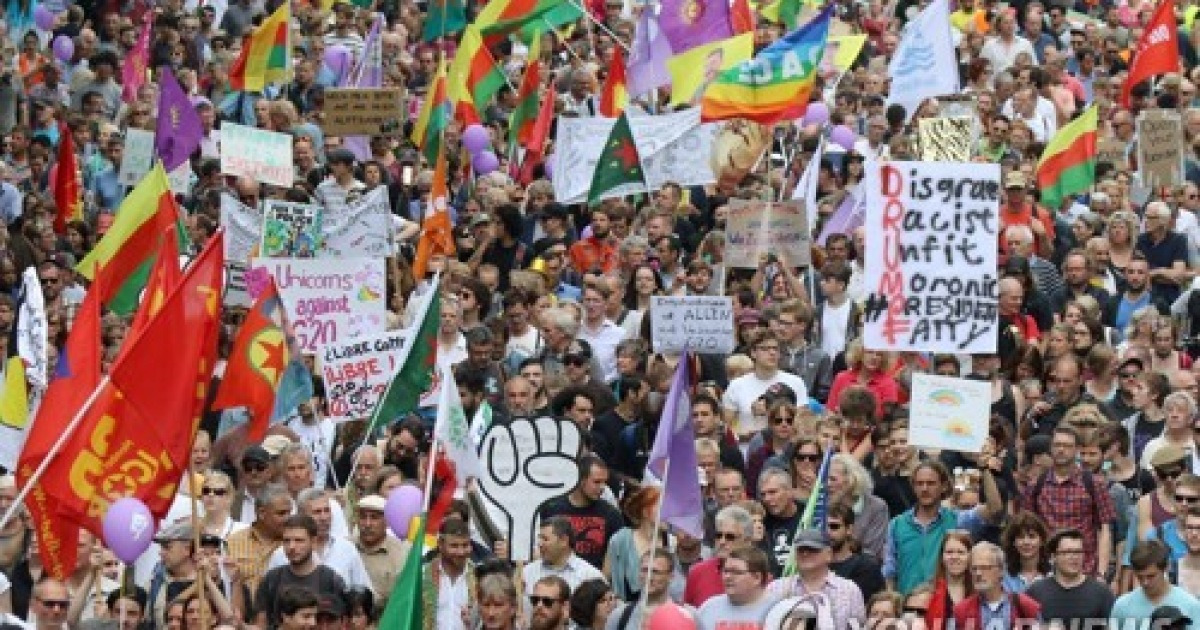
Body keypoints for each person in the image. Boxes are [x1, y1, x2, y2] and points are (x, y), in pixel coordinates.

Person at [882, 461, 1003, 594]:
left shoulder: (958, 521)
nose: (924, 488)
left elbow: (994, 509)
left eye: (931, 483)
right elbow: (890, 571)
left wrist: (985, 469)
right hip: (908, 606)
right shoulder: (897, 524)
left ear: (944, 486)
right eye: (919, 483)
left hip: (946, 605)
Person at [253, 516, 347, 629]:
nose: (291, 547)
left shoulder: (331, 579)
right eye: (286, 541)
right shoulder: (272, 579)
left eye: (299, 540)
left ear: (313, 542)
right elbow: (261, 623)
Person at [766, 529, 867, 630]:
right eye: (800, 550)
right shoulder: (776, 588)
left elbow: (858, 627)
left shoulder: (849, 590)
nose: (805, 553)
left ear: (829, 554)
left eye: (813, 549)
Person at [1111, 540, 1200, 629]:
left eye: (1151, 576)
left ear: (1166, 567)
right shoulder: (1122, 606)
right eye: (1140, 577)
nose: (1145, 582)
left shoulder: (1190, 605)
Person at [952, 542, 1042, 629]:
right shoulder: (961, 611)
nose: (978, 573)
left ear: (1001, 570)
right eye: (974, 568)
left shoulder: (1026, 607)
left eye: (985, 568)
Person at [695, 546, 779, 630]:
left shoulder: (777, 609)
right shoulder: (709, 608)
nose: (727, 577)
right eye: (726, 571)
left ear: (757, 578)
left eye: (736, 572)